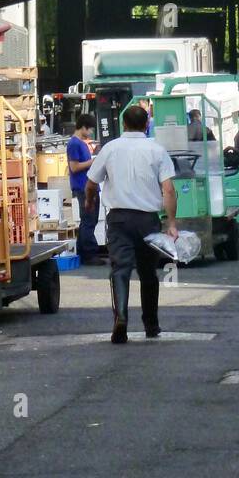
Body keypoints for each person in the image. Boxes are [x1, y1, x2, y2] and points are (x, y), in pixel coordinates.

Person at [84, 104, 178, 344]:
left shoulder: (110, 148)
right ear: (147, 124)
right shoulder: (157, 150)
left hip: (118, 219)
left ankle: (122, 317)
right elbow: (168, 190)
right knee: (148, 273)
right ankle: (151, 324)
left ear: (123, 124)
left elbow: (92, 183)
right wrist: (171, 223)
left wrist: (88, 201)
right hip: (147, 220)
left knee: (120, 269)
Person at [67, 114, 104, 264]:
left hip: (87, 185)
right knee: (89, 219)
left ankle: (83, 251)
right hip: (83, 187)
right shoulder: (74, 144)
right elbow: (74, 167)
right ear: (83, 127)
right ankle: (89, 254)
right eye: (89, 130)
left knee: (89, 220)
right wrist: (93, 161)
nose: (90, 134)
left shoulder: (80, 143)